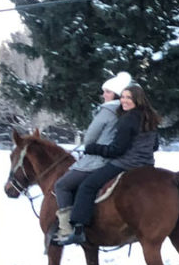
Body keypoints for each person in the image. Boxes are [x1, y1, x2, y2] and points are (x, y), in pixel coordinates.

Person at [54, 82, 161, 246]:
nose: (124, 101)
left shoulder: (128, 119)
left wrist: (92, 148)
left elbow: (116, 150)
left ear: (138, 100)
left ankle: (78, 229)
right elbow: (155, 146)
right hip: (147, 165)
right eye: (123, 97)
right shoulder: (151, 117)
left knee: (87, 186)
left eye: (128, 98)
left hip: (126, 164)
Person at [51, 71, 132, 245]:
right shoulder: (128, 111)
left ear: (116, 94)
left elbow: (90, 137)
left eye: (107, 91)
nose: (103, 95)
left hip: (98, 159)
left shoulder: (108, 109)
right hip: (120, 159)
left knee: (62, 185)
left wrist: (90, 146)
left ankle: (66, 229)